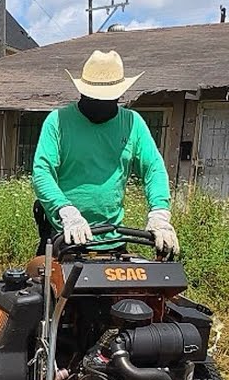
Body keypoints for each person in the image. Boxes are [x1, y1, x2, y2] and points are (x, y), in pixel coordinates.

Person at [32, 50, 178, 258]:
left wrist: (159, 214)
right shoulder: (57, 122)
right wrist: (66, 211)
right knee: (53, 288)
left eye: (106, 99)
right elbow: (42, 172)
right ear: (82, 92)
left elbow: (153, 168)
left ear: (119, 95)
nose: (100, 103)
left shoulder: (132, 123)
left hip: (113, 238)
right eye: (94, 98)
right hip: (64, 236)